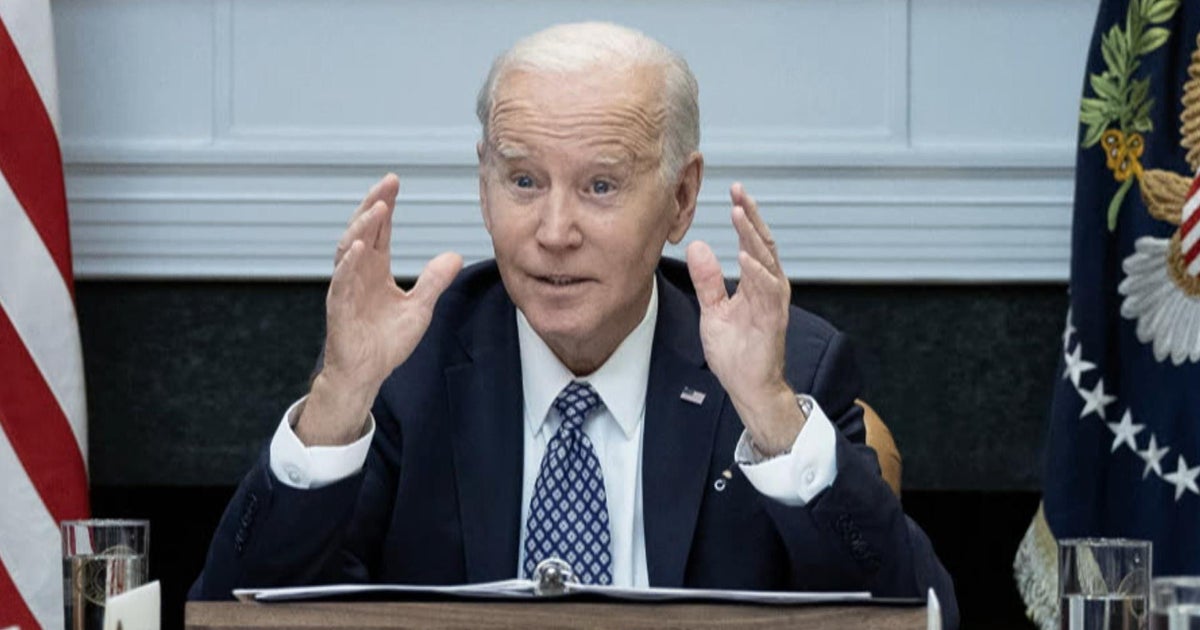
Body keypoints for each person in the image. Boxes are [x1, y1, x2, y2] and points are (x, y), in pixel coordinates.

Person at [190, 21, 958, 627]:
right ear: (483, 183)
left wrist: (773, 420)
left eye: (599, 185)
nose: (554, 231)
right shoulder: (407, 370)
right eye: (523, 180)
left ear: (680, 199)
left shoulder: (783, 365)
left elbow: (918, 613)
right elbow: (234, 606)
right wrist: (337, 400)